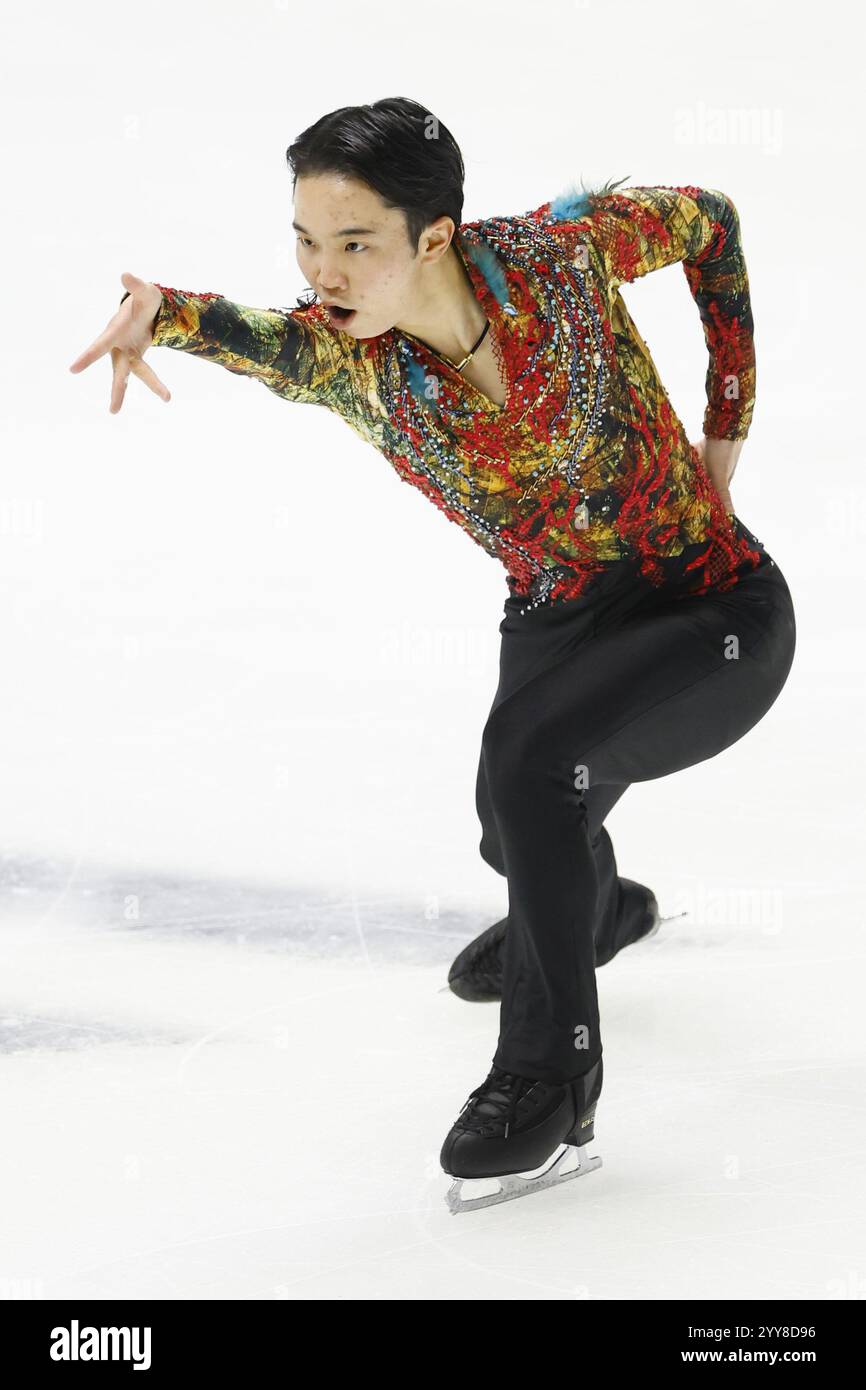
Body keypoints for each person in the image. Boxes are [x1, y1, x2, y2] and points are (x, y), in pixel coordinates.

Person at [69, 96, 797, 1215]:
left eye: (354, 243)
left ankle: (552, 1074)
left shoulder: (558, 255)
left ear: (434, 235)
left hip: (711, 607)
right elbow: (246, 331)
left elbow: (708, 219)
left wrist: (727, 418)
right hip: (559, 612)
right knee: (510, 828)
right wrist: (161, 312)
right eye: (306, 241)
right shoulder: (345, 361)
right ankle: (592, 912)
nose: (324, 273)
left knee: (531, 760)